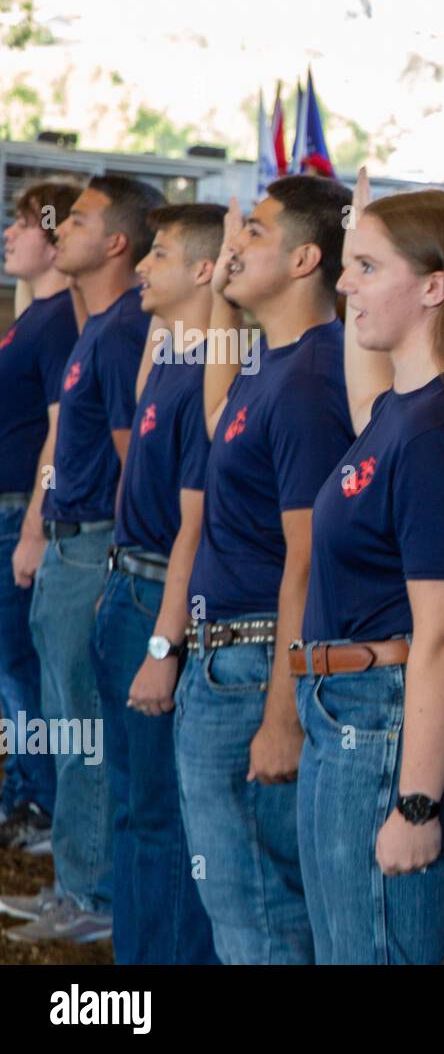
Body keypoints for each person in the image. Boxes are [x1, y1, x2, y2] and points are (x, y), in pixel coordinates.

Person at [292, 179, 444, 964]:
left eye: (368, 269)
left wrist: (416, 803)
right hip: (343, 711)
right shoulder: (396, 413)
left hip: (381, 723)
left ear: (435, 285)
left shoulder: (436, 436)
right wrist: (364, 230)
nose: (344, 285)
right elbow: (365, 381)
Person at [175, 175, 354, 964]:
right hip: (227, 662)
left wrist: (283, 715)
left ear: (307, 258)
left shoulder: (313, 381)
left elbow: (309, 562)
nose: (234, 244)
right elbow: (218, 419)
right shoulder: (269, 362)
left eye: (256, 232)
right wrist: (224, 292)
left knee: (258, 909)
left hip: (254, 669)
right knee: (240, 903)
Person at [6, 175, 161, 945]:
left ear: (118, 242)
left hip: (94, 541)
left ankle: (90, 891)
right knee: (70, 726)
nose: (60, 227)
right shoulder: (98, 324)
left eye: (81, 219)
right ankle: (77, 882)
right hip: (73, 537)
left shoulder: (126, 327)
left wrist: (112, 570)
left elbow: (138, 466)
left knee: (83, 728)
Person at [86, 203, 229, 964]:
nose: (140, 265)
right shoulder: (172, 356)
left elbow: (194, 529)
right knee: (133, 810)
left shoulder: (216, 376)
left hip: (156, 603)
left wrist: (164, 644)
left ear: (204, 271)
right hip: (126, 587)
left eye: (161, 254)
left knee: (164, 822)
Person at [0, 182, 79, 857]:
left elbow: (60, 432)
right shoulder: (37, 314)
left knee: (21, 666)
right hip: (10, 512)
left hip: (18, 515)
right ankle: (25, 793)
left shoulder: (57, 322)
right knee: (12, 665)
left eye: (23, 224)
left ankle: (39, 802)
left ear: (54, 241)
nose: (9, 233)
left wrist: (32, 526)